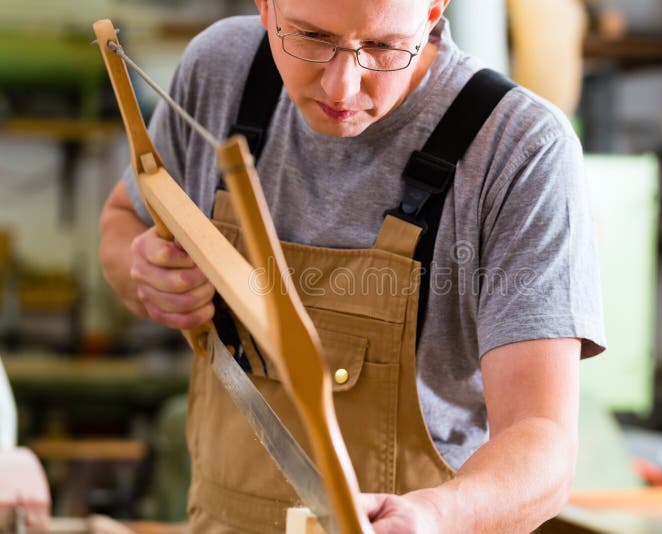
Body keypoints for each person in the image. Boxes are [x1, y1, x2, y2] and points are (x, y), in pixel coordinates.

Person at [98, 0, 606, 531]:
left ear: (434, 11)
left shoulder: (519, 148)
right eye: (311, 38)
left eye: (383, 47)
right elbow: (122, 221)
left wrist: (438, 513)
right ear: (266, 6)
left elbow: (542, 439)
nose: (341, 87)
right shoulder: (220, 69)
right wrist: (149, 276)